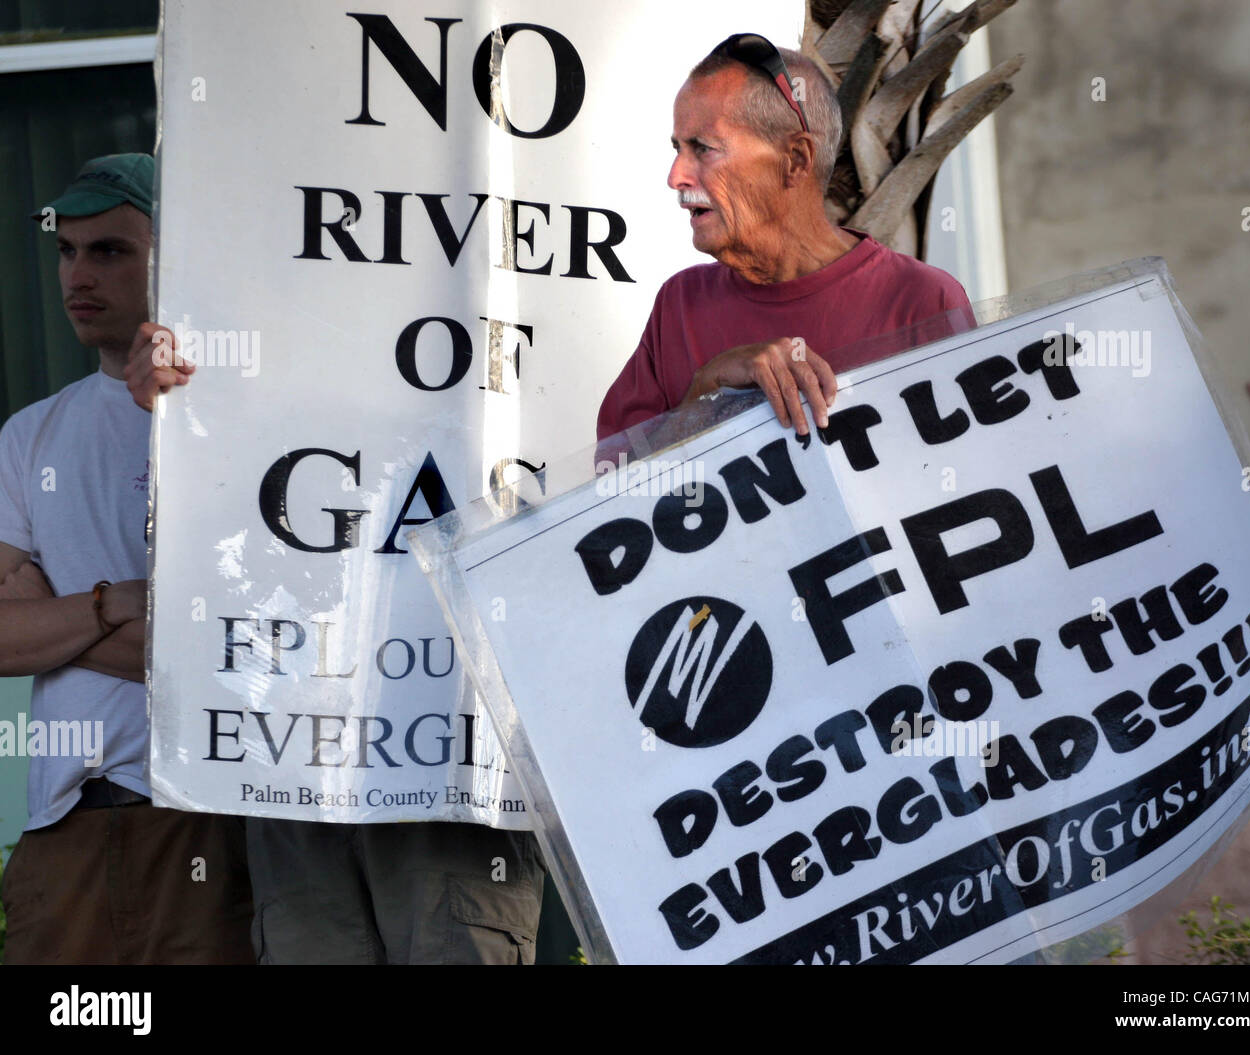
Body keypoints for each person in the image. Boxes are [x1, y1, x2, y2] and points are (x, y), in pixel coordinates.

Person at [126, 221, 546, 967]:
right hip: (292, 768)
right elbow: (213, 568)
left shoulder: (482, 380)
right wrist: (181, 419)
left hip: (451, 772)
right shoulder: (246, 401)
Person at [0, 153, 254, 963]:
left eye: (109, 251)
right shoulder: (27, 434)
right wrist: (119, 601)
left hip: (203, 813)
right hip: (60, 824)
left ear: (170, 257)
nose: (79, 273)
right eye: (68, 251)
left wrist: (57, 609)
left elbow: (221, 643)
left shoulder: (232, 416)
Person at [598, 33, 974, 442]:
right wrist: (709, 389)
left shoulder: (922, 301)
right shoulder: (679, 304)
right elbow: (614, 491)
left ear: (795, 161)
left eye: (703, 149)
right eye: (677, 149)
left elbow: (966, 473)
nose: (676, 178)